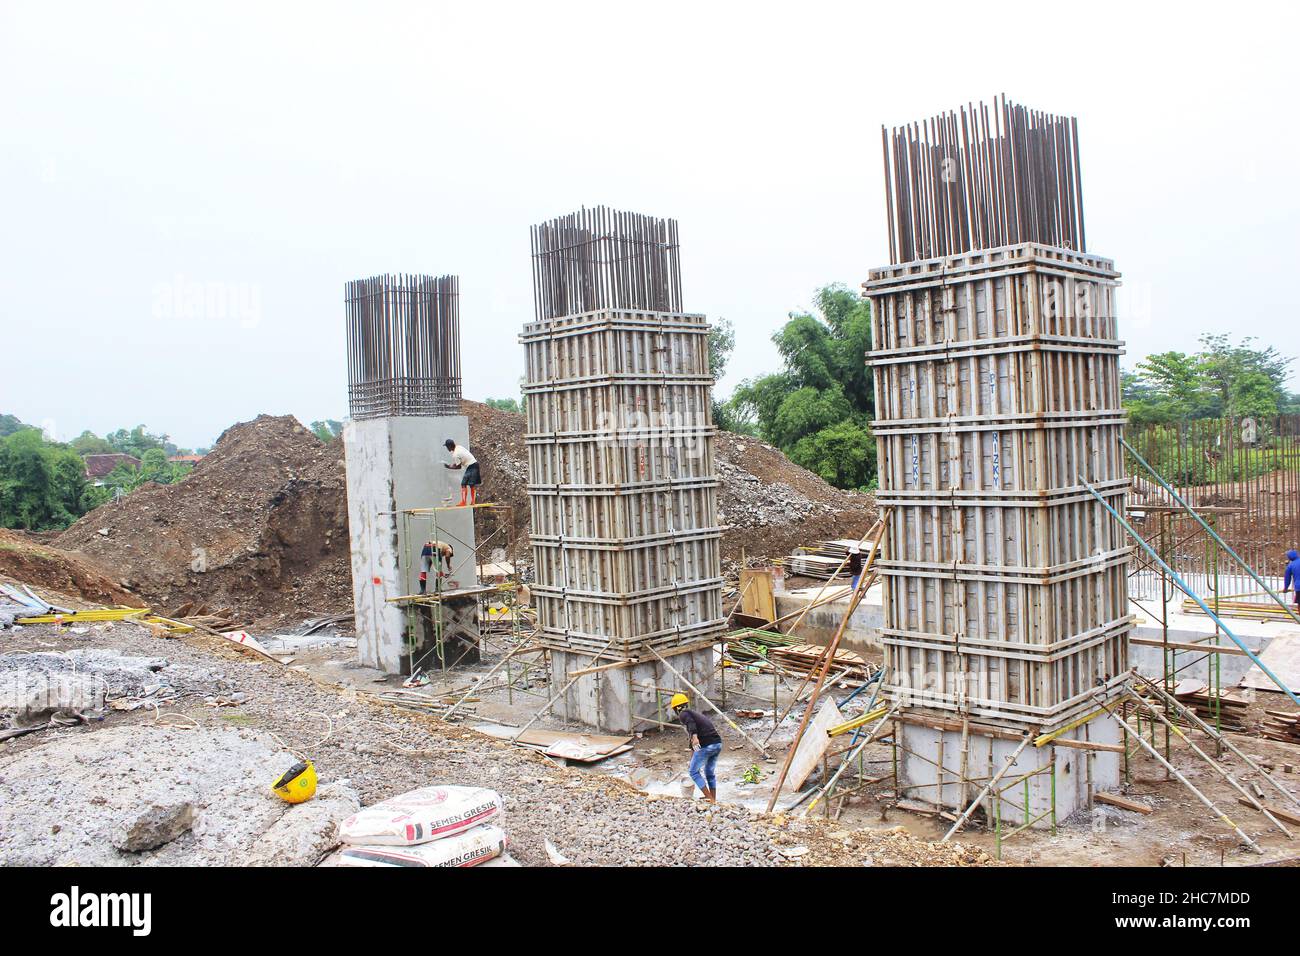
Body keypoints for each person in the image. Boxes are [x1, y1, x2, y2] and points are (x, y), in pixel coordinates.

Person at [670, 692, 722, 802]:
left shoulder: (684, 714)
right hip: (717, 744)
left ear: (676, 708)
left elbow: (691, 725)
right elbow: (693, 742)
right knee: (709, 772)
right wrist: (692, 756)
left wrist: (694, 737)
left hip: (707, 745)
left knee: (693, 772)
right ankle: (713, 798)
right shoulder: (694, 714)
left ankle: (710, 799)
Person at [443, 438, 481, 507]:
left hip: (471, 466)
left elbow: (459, 467)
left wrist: (449, 467)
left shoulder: (455, 454)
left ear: (449, 446)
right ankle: (473, 501)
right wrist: (452, 465)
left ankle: (463, 502)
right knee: (471, 484)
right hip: (475, 464)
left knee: (463, 484)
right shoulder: (459, 447)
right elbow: (460, 461)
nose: (447, 448)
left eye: (447, 447)